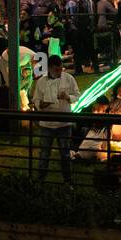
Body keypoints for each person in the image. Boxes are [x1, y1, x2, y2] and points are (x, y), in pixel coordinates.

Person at [30, 55, 79, 183]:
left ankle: (67, 180)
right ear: (50, 68)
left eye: (61, 69)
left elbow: (77, 95)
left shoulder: (69, 79)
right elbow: (36, 99)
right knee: (44, 154)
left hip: (64, 122)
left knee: (65, 154)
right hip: (47, 123)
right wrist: (41, 105)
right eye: (57, 70)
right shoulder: (41, 81)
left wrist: (68, 97)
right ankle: (40, 180)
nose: (59, 72)